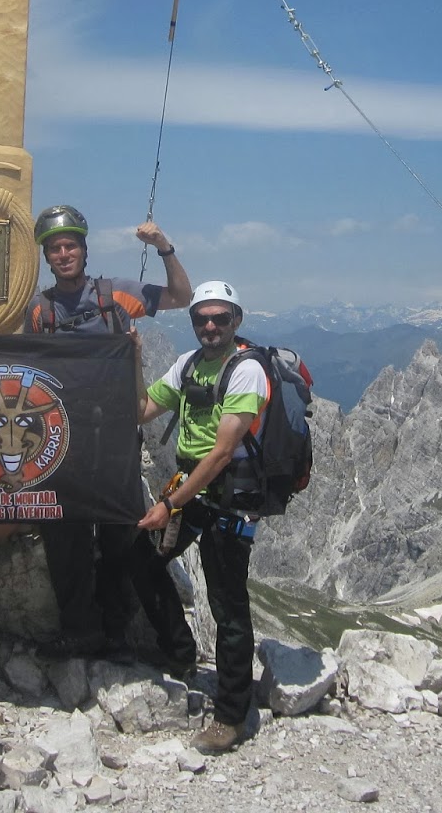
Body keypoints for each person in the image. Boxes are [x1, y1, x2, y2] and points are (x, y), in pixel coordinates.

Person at [24, 204, 191, 659]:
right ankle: (80, 629)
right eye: (54, 248)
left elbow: (181, 295)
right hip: (62, 439)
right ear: (47, 257)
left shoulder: (115, 294)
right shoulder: (39, 311)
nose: (63, 254)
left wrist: (164, 247)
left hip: (115, 438)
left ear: (83, 248)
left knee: (121, 534)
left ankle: (116, 631)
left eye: (70, 245)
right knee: (65, 536)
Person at [137, 280, 269, 754]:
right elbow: (141, 410)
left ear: (237, 321)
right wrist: (131, 358)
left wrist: (169, 505)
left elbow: (222, 452)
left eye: (221, 318)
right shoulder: (187, 365)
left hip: (229, 495)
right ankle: (179, 655)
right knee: (144, 559)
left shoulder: (246, 370)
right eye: (201, 319)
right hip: (190, 485)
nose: (210, 326)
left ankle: (232, 716)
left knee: (227, 603)